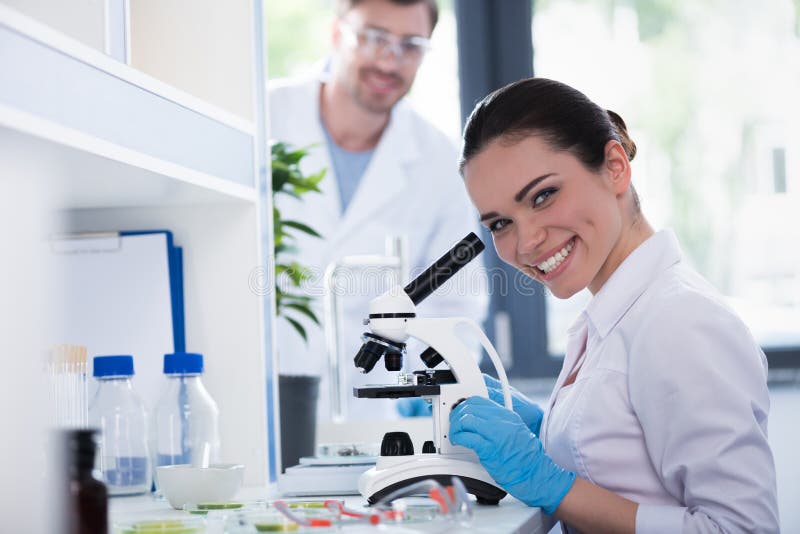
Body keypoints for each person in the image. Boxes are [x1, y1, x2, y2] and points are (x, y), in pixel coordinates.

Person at [449, 78, 779, 533]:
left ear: (615, 167)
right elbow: (629, 465)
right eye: (501, 223)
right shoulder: (616, 314)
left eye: (543, 195)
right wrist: (547, 432)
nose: (526, 242)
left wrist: (551, 485)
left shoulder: (680, 322)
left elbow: (743, 529)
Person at [268, 0, 487, 422]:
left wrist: (437, 413)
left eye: (411, 45)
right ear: (336, 33)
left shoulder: (439, 162)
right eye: (374, 38)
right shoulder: (266, 117)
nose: (390, 60)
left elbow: (452, 309)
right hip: (260, 406)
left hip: (370, 420)